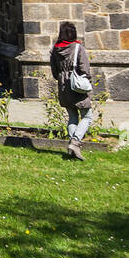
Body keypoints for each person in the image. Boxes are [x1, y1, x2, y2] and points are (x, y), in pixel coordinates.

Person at [50, 22, 93, 161]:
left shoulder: (55, 50)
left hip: (63, 86)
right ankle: (75, 143)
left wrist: (63, 77)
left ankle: (73, 150)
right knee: (87, 116)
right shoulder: (78, 48)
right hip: (77, 86)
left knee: (73, 117)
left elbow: (54, 72)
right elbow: (85, 69)